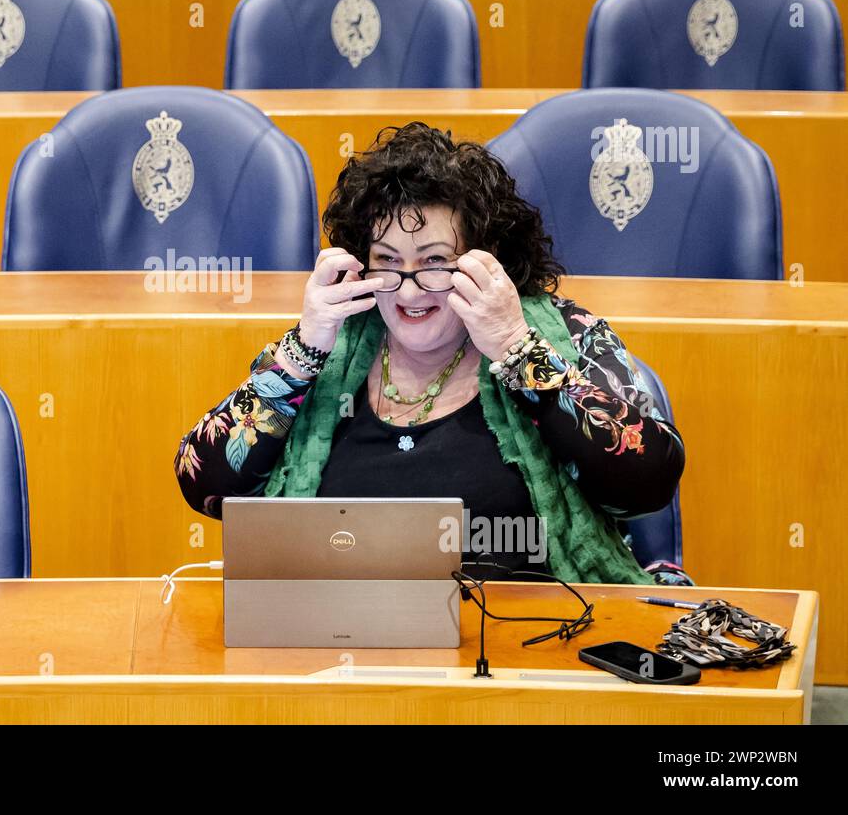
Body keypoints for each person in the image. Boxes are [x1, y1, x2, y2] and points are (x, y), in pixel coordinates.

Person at [173, 122, 688, 584]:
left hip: (523, 648)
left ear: (489, 262)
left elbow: (647, 486)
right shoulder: (332, 346)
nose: (409, 291)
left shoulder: (558, 335)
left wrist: (518, 351)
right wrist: (302, 351)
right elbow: (206, 486)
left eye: (436, 261)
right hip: (341, 650)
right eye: (387, 261)